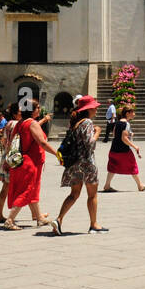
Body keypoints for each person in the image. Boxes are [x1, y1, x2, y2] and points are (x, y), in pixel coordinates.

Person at [52, 96, 108, 234]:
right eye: (94, 107)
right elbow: (90, 144)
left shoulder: (75, 123)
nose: (96, 109)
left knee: (74, 194)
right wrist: (98, 132)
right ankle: (94, 224)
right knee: (92, 195)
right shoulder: (88, 122)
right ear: (88, 109)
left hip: (74, 163)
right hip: (87, 163)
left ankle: (58, 220)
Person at [5, 99, 60, 231]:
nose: (39, 110)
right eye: (37, 108)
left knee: (33, 190)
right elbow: (42, 142)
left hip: (20, 162)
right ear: (31, 110)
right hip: (30, 163)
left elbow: (9, 144)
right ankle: (10, 219)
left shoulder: (19, 124)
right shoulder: (32, 123)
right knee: (26, 191)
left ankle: (39, 218)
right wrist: (57, 154)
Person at [103, 106, 145, 192]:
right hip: (124, 151)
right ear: (127, 113)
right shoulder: (126, 124)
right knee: (133, 166)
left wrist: (128, 135)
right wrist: (135, 146)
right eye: (132, 112)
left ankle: (107, 185)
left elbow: (114, 134)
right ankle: (140, 186)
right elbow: (124, 138)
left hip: (114, 149)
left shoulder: (117, 123)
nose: (134, 114)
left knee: (112, 167)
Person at [0, 102, 20, 222]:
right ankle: (35, 215)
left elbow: (4, 141)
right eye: (20, 112)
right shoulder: (17, 124)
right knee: (16, 186)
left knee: (5, 187)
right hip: (13, 157)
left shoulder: (8, 124)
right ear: (15, 114)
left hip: (5, 156)